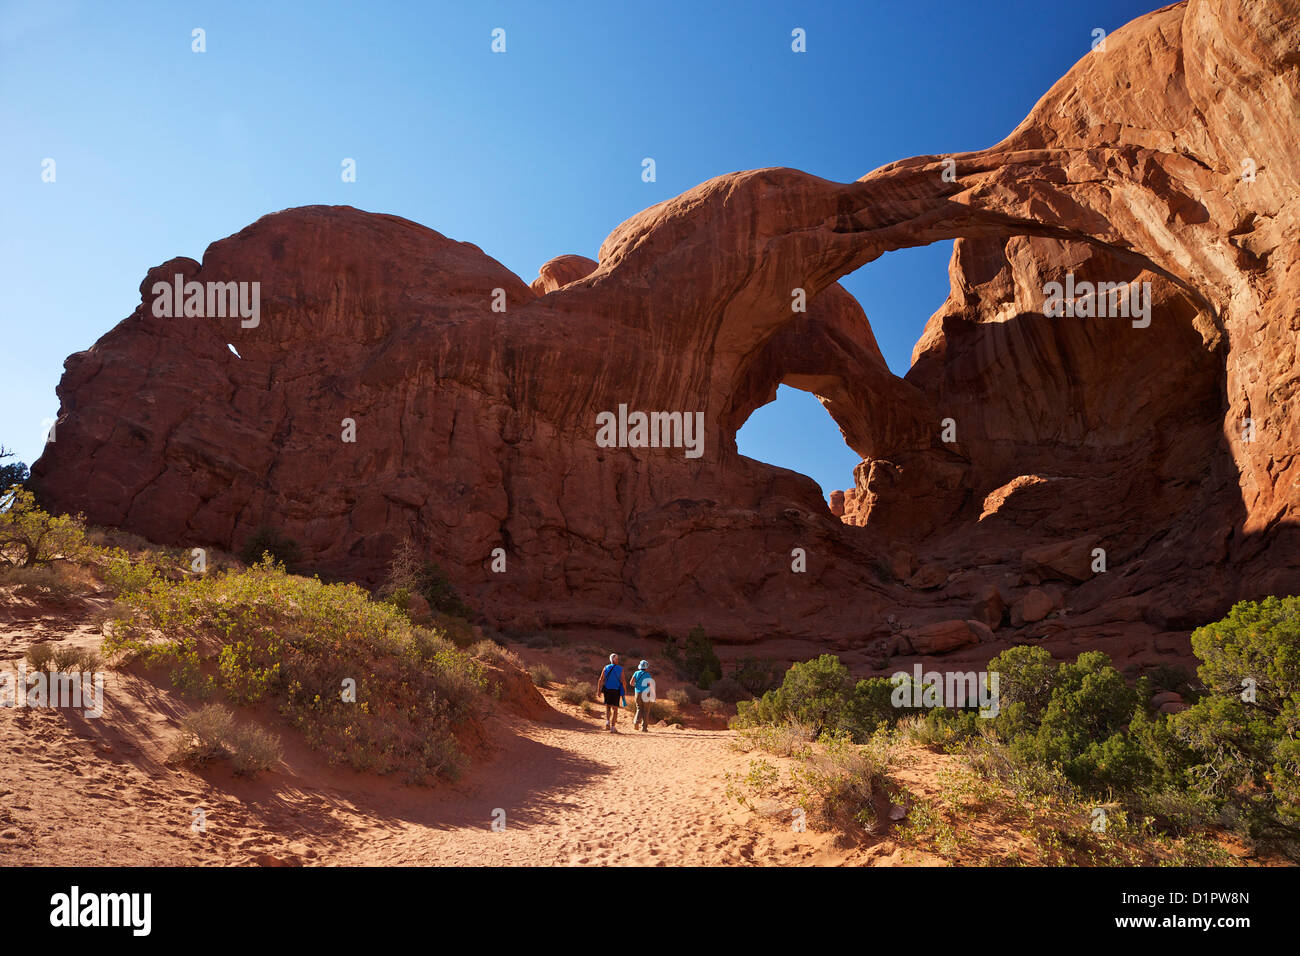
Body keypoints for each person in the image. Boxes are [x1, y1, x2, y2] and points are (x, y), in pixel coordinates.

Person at [596, 653, 626, 732]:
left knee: (608, 707)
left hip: (607, 689)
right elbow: (623, 681)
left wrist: (598, 691)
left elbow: (601, 679)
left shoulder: (606, 667)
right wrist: (624, 691)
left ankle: (607, 722)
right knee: (615, 709)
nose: (618, 660)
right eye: (617, 659)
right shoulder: (620, 669)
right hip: (616, 690)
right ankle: (613, 727)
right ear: (613, 660)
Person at [631, 660, 654, 732]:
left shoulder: (636, 673)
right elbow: (650, 685)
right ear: (646, 667)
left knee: (639, 708)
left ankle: (636, 722)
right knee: (646, 710)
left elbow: (631, 683)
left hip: (637, 693)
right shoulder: (647, 675)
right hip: (645, 693)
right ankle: (644, 728)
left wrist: (637, 686)